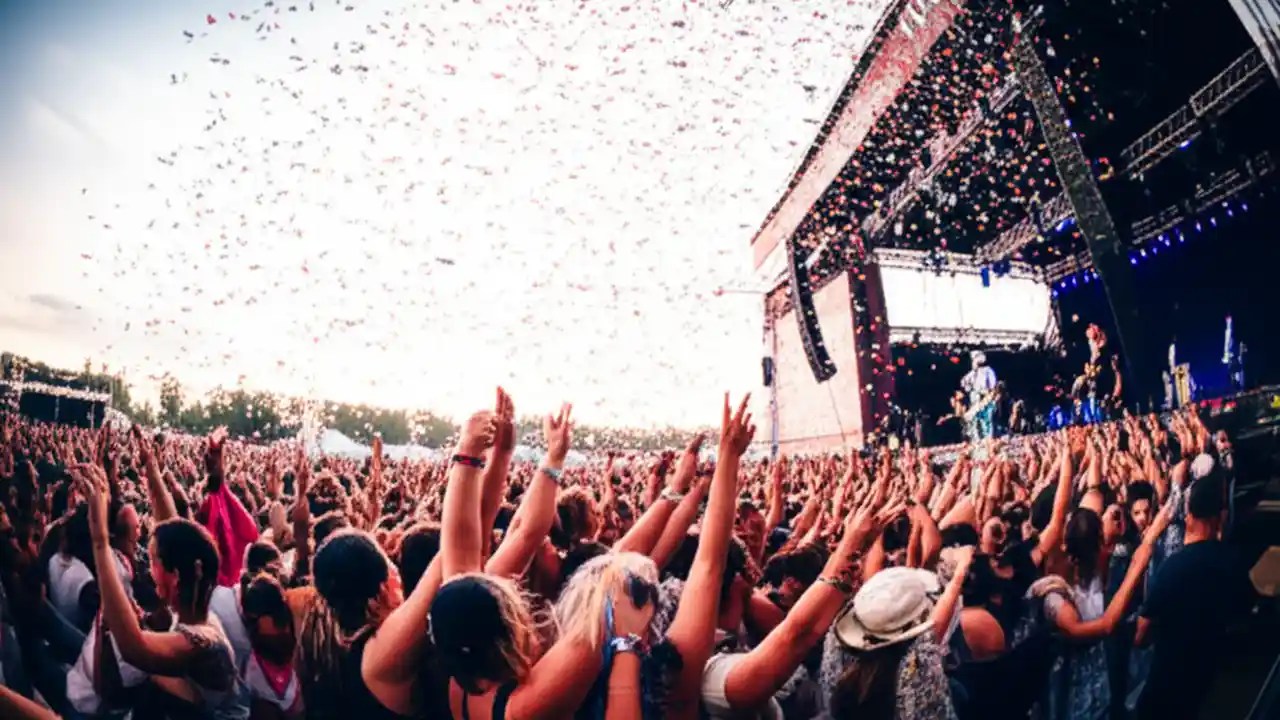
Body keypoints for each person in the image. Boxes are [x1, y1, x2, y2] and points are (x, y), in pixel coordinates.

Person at [1135, 472, 1256, 720]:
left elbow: (1141, 635)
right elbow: (1245, 611)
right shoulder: (1233, 562)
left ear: (1188, 515)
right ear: (1220, 516)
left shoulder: (1172, 568)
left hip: (1167, 690)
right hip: (1211, 686)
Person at [960, 352, 997, 442]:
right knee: (975, 420)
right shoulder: (972, 374)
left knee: (986, 421)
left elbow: (992, 387)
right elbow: (964, 383)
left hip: (986, 399)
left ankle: (988, 439)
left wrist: (986, 395)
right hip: (975, 400)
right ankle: (976, 439)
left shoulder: (988, 371)